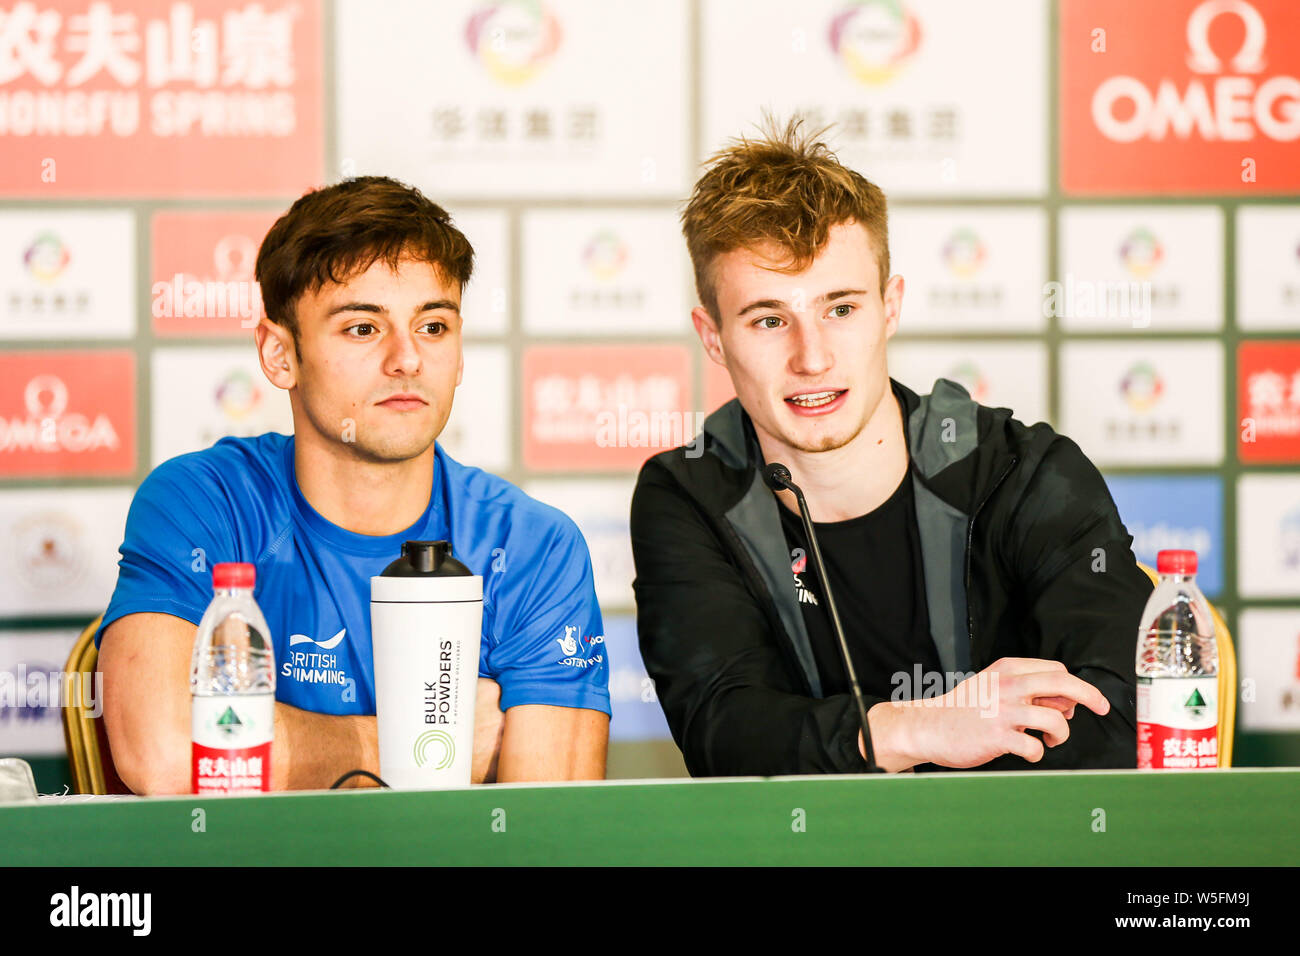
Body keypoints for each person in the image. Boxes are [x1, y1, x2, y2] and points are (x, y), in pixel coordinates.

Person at [630, 120, 1150, 776]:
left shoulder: (1022, 471)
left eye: (841, 309)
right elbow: (723, 731)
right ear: (713, 337)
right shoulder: (689, 493)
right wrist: (916, 730)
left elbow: (1125, 711)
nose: (811, 358)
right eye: (768, 319)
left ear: (890, 307)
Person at [98, 176, 610, 794]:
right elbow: (169, 755)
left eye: (434, 327)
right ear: (280, 354)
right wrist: (422, 749)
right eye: (363, 329)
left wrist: (280, 751)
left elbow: (545, 833)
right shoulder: (203, 504)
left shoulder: (532, 544)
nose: (408, 359)